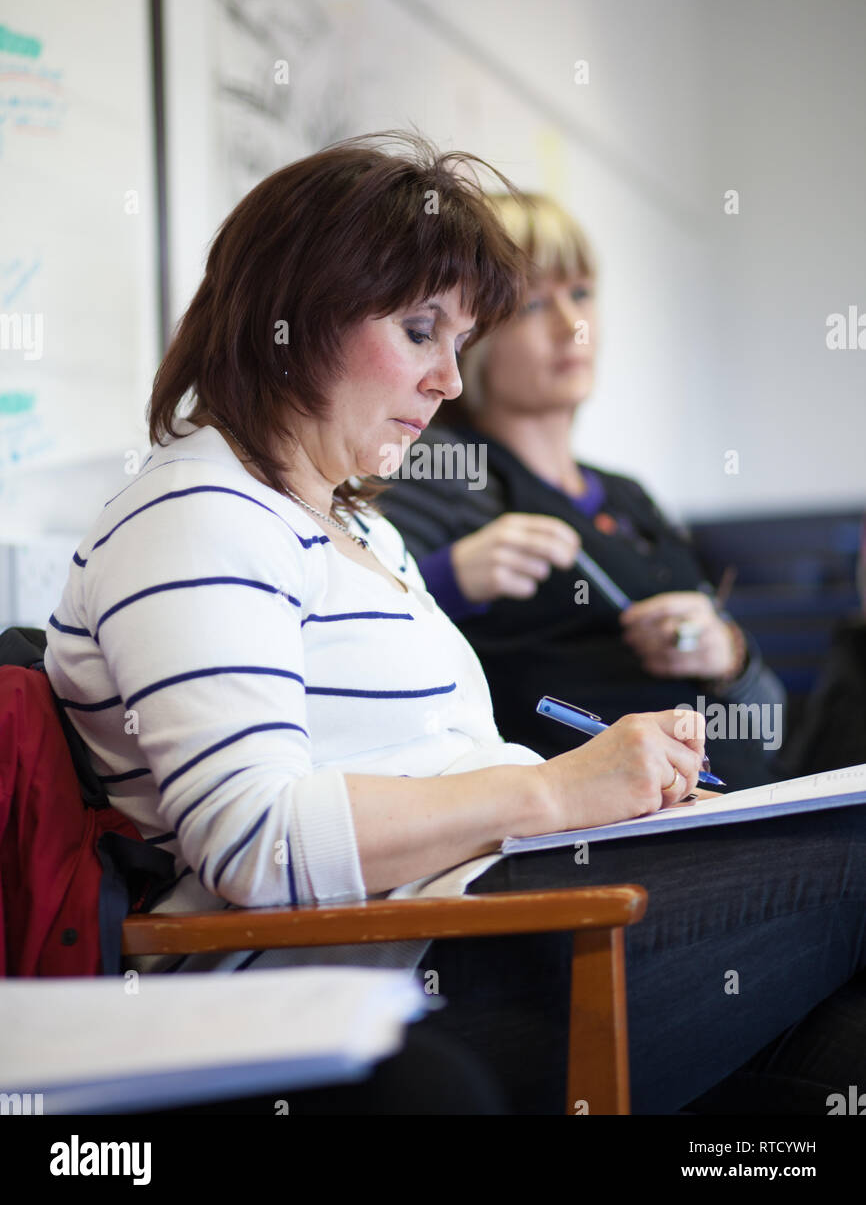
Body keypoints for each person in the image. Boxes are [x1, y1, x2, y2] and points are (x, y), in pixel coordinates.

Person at [43, 132, 866, 1116]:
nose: (448, 379)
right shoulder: (197, 516)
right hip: (379, 981)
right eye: (419, 330)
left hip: (492, 923)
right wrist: (559, 791)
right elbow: (257, 844)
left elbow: (437, 761)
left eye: (458, 339)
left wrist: (617, 797)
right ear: (293, 316)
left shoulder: (358, 528)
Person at [377, 194, 786, 790]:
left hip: (743, 792)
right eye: (533, 304)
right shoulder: (443, 473)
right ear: (470, 336)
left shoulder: (630, 498)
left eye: (582, 294)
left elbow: (771, 723)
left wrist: (728, 655)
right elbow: (364, 650)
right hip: (610, 817)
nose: (573, 326)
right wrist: (450, 580)